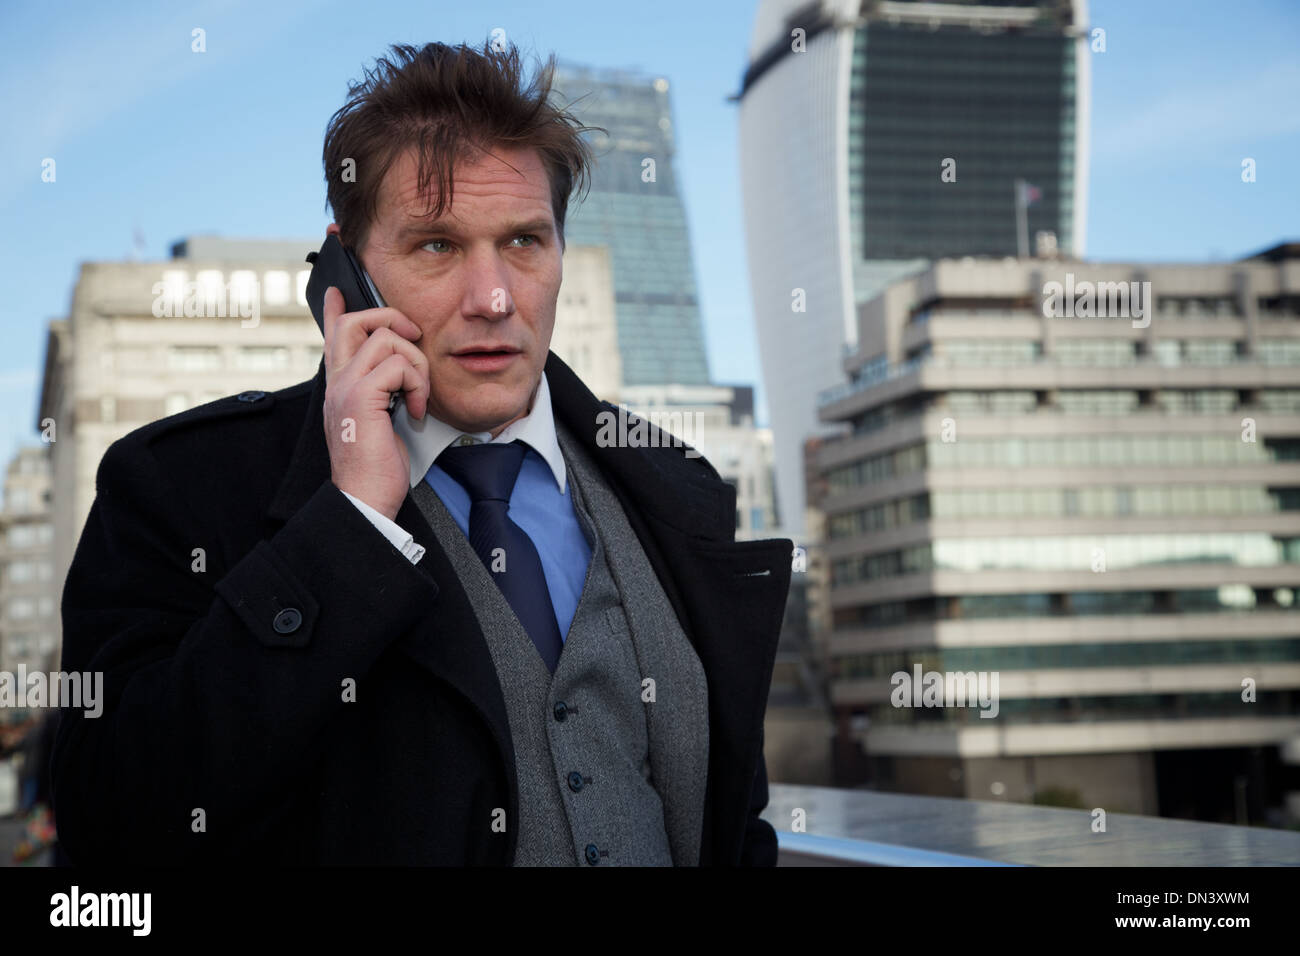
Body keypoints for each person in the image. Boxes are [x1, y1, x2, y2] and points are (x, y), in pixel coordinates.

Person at [51, 39, 792, 866]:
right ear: (346, 273)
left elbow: (733, 819)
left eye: (523, 241)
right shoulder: (179, 488)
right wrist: (351, 524)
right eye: (436, 246)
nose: (493, 298)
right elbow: (110, 818)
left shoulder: (673, 487)